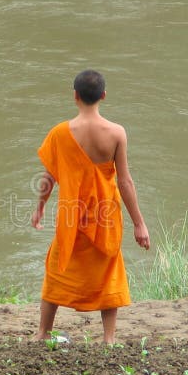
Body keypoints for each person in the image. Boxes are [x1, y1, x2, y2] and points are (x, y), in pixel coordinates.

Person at [31, 69, 150, 344]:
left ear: (75, 96)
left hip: (71, 214)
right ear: (104, 96)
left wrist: (39, 208)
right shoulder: (117, 133)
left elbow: (49, 176)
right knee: (108, 269)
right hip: (105, 215)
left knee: (58, 266)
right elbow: (125, 182)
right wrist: (139, 223)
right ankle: (108, 339)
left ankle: (42, 332)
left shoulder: (60, 133)